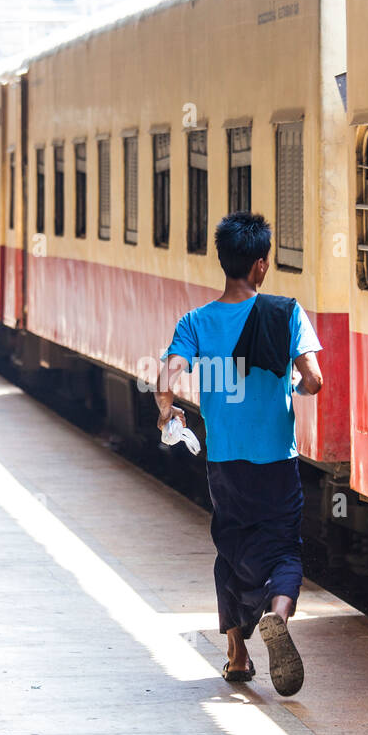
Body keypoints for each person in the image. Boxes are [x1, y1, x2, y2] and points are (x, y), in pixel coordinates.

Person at [155, 212, 323, 696]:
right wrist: (296, 385)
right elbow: (314, 380)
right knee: (285, 549)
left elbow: (168, 375)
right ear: (261, 266)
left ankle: (236, 655)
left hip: (225, 462)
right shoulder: (285, 312)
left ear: (225, 263)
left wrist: (166, 412)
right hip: (276, 459)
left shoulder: (196, 322)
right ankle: (277, 613)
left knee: (230, 550)